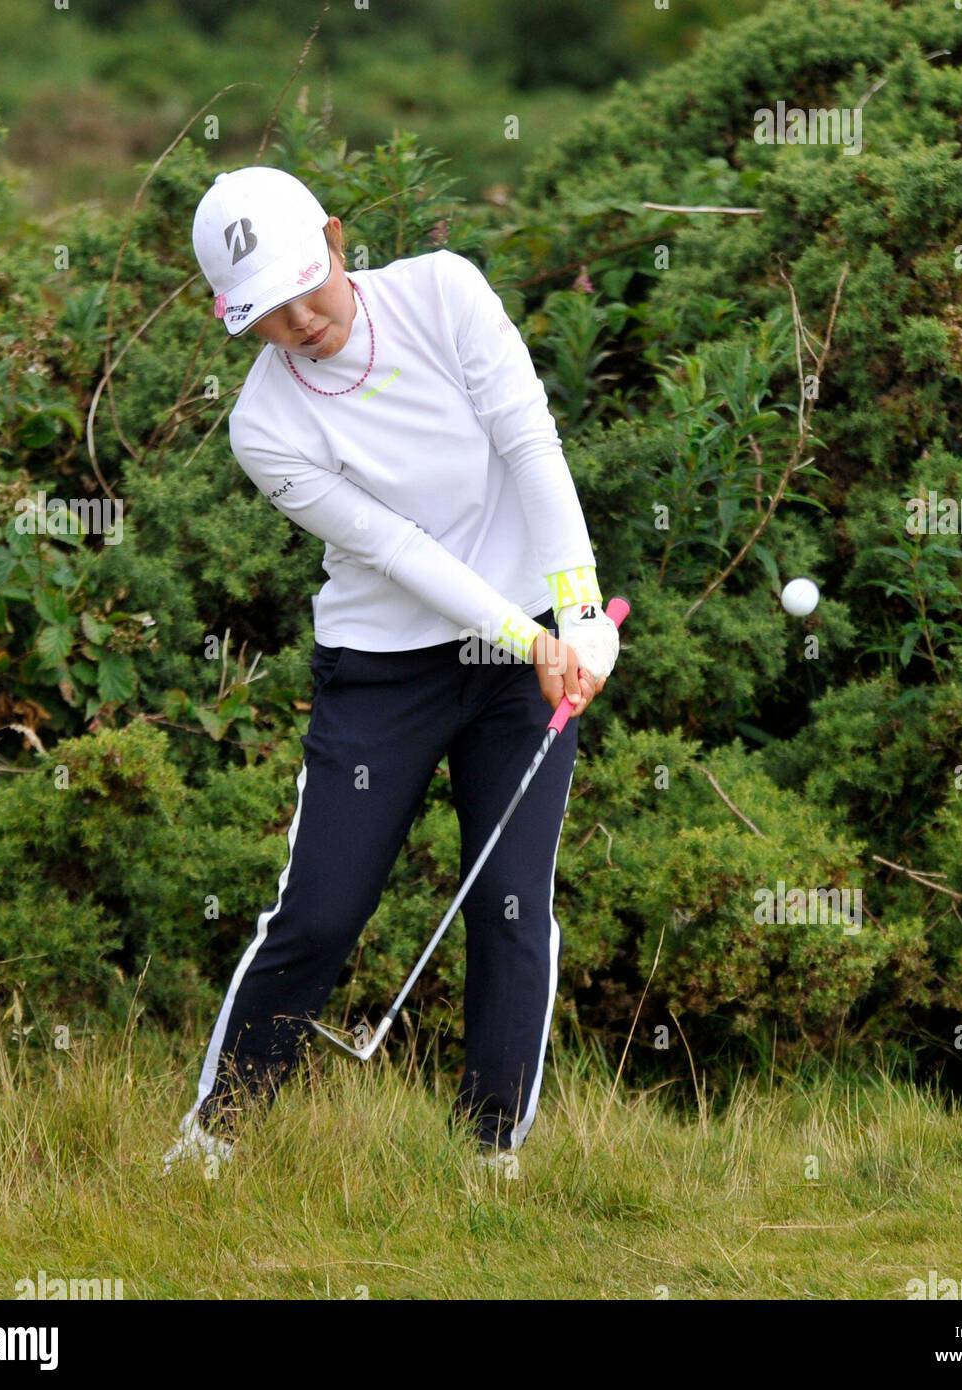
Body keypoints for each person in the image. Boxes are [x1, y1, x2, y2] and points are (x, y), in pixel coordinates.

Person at [164, 166, 620, 1173]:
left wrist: (578, 614)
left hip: (523, 671)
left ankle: (488, 1152)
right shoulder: (265, 428)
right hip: (382, 670)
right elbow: (400, 550)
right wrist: (535, 635)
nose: (296, 321)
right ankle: (214, 1138)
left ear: (336, 236)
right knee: (320, 911)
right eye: (264, 314)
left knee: (510, 903)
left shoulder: (444, 293)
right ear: (225, 312)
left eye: (304, 287)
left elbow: (528, 442)